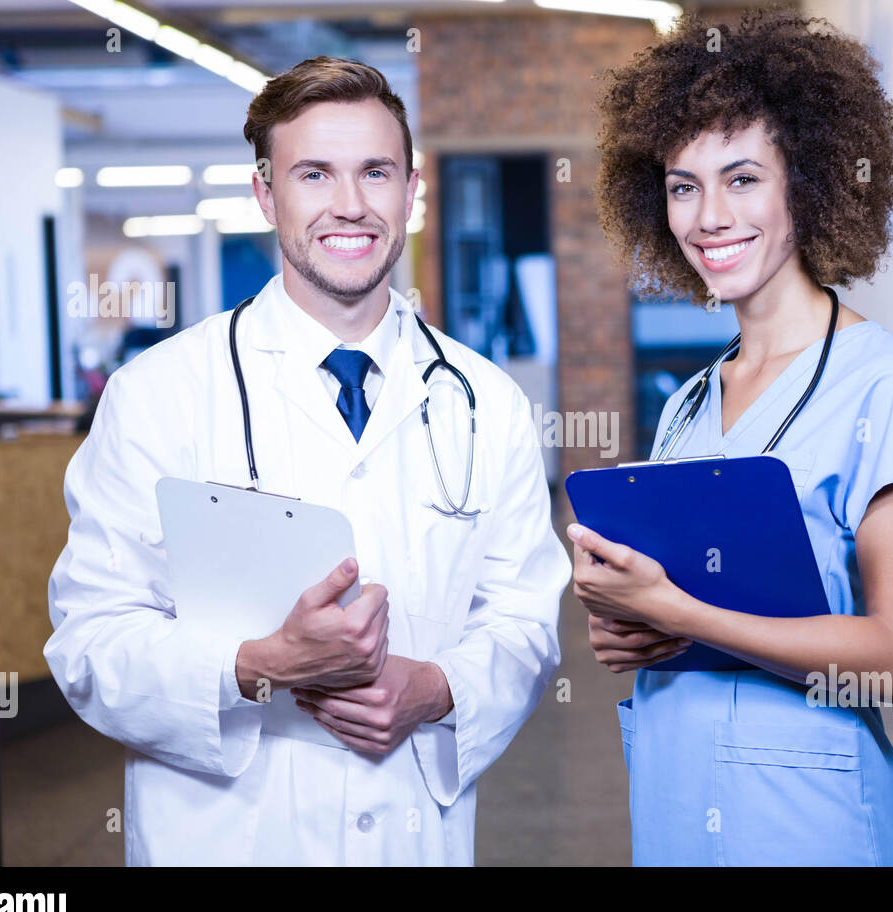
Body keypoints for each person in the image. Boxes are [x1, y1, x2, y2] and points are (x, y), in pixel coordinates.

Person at [46, 56, 570, 866]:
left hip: (409, 835)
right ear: (265, 191)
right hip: (221, 841)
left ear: (411, 189)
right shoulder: (158, 394)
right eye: (314, 173)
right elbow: (89, 644)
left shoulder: (485, 402)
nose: (350, 205)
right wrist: (258, 666)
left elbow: (525, 623)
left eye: (376, 172)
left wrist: (435, 690)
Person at [570, 12, 893, 866]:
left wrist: (686, 612)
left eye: (742, 178)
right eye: (682, 186)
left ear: (807, 185)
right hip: (674, 814)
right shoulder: (686, 407)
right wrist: (631, 624)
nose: (709, 217)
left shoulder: (880, 385)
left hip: (806, 824)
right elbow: (675, 621)